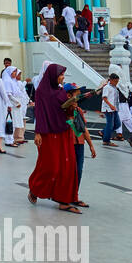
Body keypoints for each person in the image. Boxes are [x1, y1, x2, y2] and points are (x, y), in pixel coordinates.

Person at [27, 64, 84, 213]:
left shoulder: (61, 92)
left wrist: (73, 105)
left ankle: (64, 201)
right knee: (50, 167)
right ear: (53, 75)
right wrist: (38, 133)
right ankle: (35, 188)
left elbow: (67, 112)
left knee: (67, 166)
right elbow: (39, 113)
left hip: (64, 132)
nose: (63, 77)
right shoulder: (42, 92)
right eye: (61, 74)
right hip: (48, 133)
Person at [64, 83, 98, 190]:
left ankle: (74, 195)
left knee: (78, 170)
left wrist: (91, 145)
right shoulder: (62, 110)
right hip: (68, 144)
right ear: (69, 96)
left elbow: (84, 129)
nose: (78, 97)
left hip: (79, 143)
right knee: (67, 170)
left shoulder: (78, 110)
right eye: (76, 94)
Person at [100, 71, 122, 146]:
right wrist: (111, 106)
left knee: (117, 124)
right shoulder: (107, 87)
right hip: (108, 108)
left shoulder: (114, 87)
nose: (116, 83)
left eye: (117, 81)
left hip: (114, 108)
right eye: (115, 81)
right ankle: (106, 140)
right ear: (111, 80)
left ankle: (103, 132)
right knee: (110, 125)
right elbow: (104, 98)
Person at [6, 68, 28, 145]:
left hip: (18, 106)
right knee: (12, 123)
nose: (15, 74)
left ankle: (13, 139)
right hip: (13, 106)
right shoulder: (8, 82)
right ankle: (9, 140)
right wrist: (16, 102)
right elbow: (9, 95)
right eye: (14, 72)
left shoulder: (14, 82)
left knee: (16, 124)